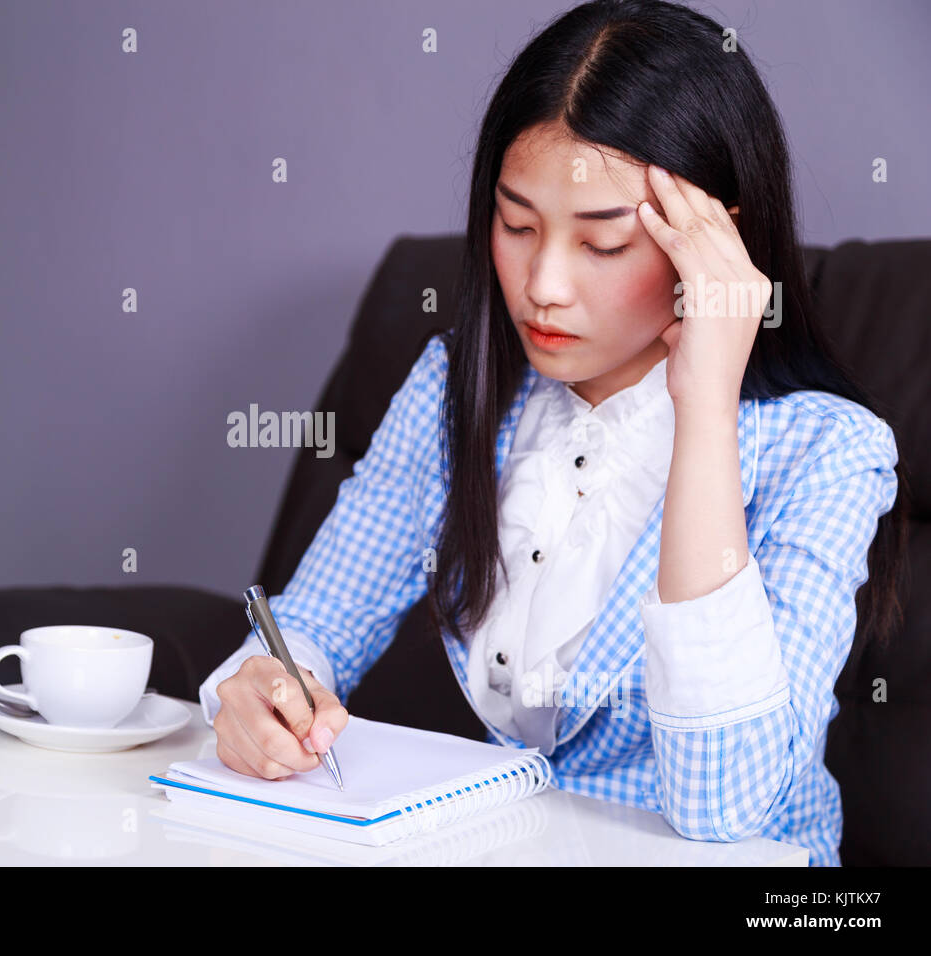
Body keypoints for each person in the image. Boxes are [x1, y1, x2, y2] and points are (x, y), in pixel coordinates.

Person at [198, 0, 909, 867]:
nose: (543, 286)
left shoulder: (829, 452)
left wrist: (706, 410)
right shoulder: (459, 388)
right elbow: (314, 621)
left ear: (713, 242)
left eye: (604, 245)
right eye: (517, 225)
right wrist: (260, 690)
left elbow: (724, 805)